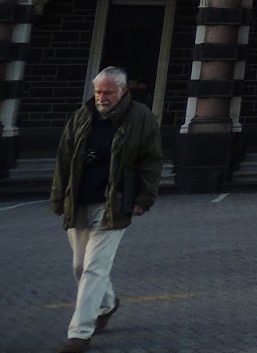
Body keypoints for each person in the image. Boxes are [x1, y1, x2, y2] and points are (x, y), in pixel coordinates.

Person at [49, 67, 163, 353]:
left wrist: (144, 198)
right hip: (79, 200)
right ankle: (108, 304)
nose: (102, 97)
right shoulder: (81, 116)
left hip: (113, 203)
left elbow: (151, 161)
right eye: (98, 91)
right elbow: (63, 158)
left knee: (94, 268)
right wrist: (57, 198)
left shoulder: (141, 118)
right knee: (80, 266)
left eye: (108, 92)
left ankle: (80, 333)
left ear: (123, 91)